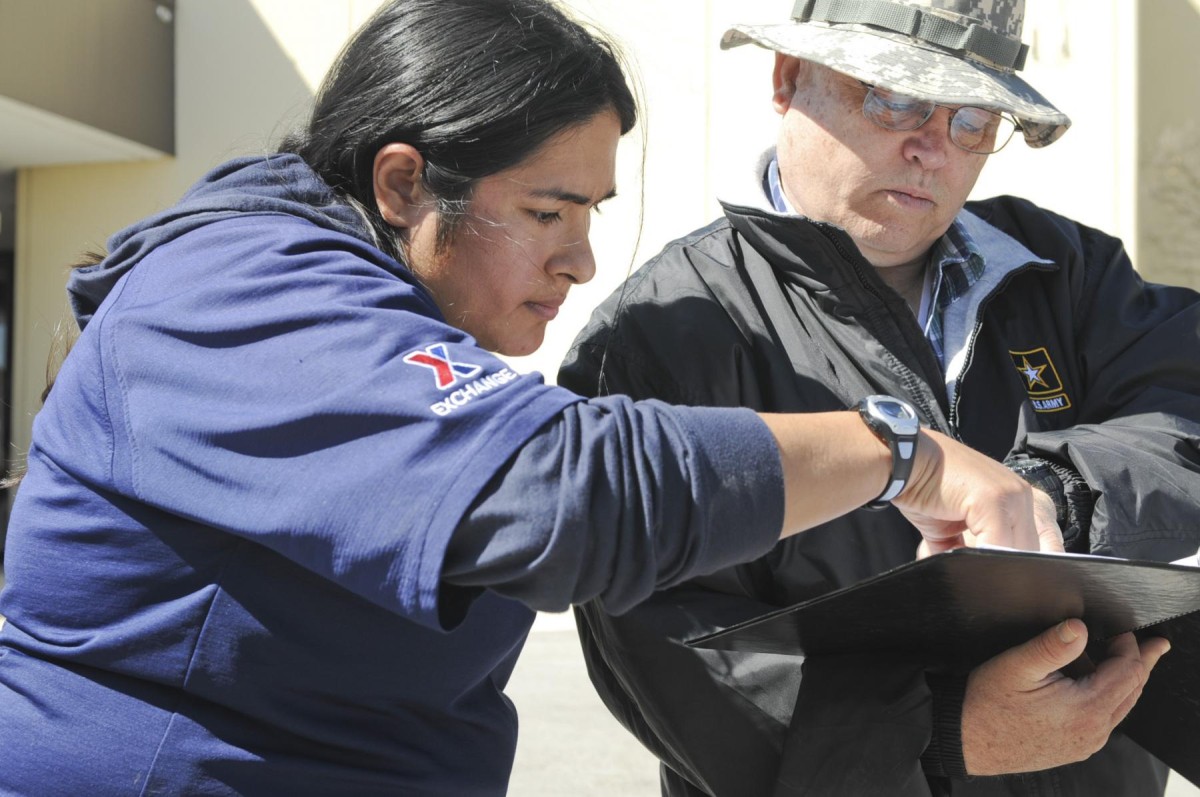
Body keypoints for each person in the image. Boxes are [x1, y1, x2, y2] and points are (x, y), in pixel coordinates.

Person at [0, 1, 1074, 795]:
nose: (582, 261)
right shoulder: (239, 292)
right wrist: (902, 452)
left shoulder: (370, 318)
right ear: (404, 183)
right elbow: (570, 491)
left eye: (594, 211)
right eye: (550, 211)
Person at [559, 1, 1200, 795]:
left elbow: (1184, 411)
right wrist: (940, 735)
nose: (933, 149)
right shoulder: (663, 332)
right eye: (896, 99)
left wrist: (1051, 497)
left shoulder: (1067, 271)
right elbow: (666, 652)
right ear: (790, 79)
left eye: (974, 119)